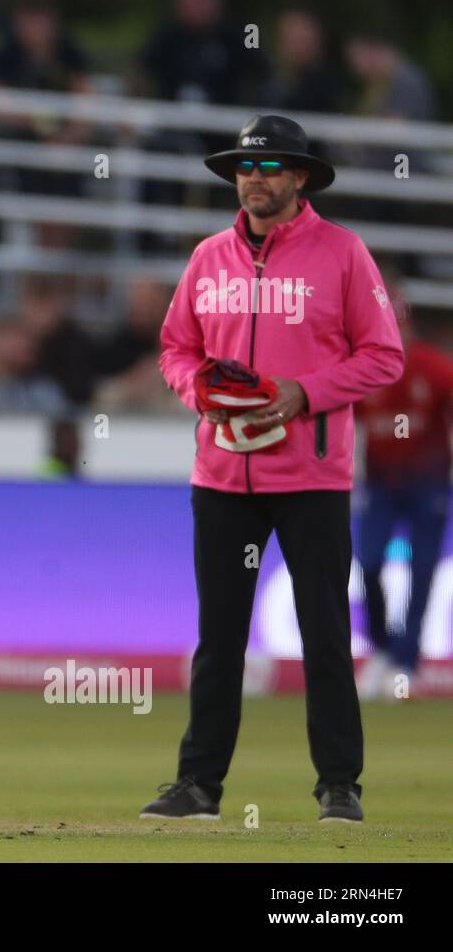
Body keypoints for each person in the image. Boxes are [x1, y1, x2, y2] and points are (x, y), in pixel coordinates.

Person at [148, 114, 404, 824]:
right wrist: (195, 388)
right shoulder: (206, 258)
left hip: (312, 478)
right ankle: (198, 785)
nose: (255, 179)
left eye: (269, 168)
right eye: (245, 168)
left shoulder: (344, 254)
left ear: (298, 178)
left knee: (324, 632)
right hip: (222, 475)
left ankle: (339, 785)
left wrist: (304, 394)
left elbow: (384, 355)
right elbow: (176, 347)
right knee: (219, 637)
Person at [355, 282, 453, 700]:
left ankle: (406, 662)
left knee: (423, 569)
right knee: (369, 561)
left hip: (427, 482)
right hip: (379, 483)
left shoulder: (436, 370)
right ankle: (383, 647)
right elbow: (345, 425)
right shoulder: (361, 373)